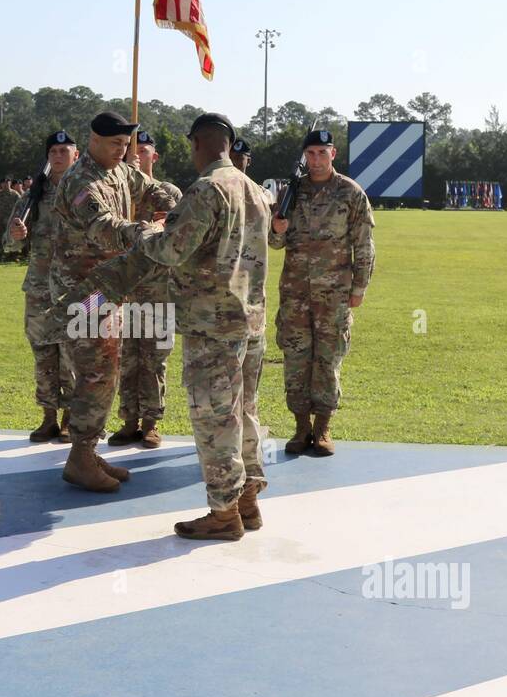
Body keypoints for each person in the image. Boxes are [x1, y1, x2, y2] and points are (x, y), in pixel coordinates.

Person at [86, 113, 270, 540]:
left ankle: (224, 512)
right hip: (250, 320)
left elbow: (172, 250)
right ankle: (248, 500)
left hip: (213, 324)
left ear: (197, 144)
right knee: (244, 413)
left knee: (214, 418)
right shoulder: (255, 190)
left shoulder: (206, 189)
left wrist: (147, 233)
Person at [43, 111, 162, 491]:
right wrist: (146, 231)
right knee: (95, 371)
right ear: (93, 140)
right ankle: (79, 457)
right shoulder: (81, 182)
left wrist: (173, 200)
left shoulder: (120, 171)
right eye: (115, 145)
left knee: (107, 369)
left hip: (109, 290)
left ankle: (88, 450)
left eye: (126, 146)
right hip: (86, 295)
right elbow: (105, 228)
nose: (122, 152)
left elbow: (150, 188)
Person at [269, 128, 375, 456]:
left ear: (333, 154)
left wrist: (358, 288)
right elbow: (274, 244)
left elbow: (364, 245)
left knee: (328, 359)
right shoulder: (291, 192)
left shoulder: (350, 193)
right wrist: (277, 228)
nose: (315, 160)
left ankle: (323, 426)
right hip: (296, 293)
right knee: (296, 358)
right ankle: (301, 427)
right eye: (310, 154)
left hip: (334, 294)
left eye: (321, 153)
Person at [109, 129, 180, 449]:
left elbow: (177, 231)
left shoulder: (167, 192)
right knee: (126, 357)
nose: (137, 155)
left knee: (154, 359)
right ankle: (128, 420)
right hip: (125, 287)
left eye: (145, 151)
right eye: (131, 151)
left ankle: (151, 421)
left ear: (155, 156)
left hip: (159, 288)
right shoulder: (118, 192)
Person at [9, 131, 79, 442]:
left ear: (75, 156)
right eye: (53, 150)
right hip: (38, 288)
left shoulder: (83, 194)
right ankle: (48, 417)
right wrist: (16, 236)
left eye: (65, 150)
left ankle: (69, 419)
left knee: (71, 356)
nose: (58, 155)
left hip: (71, 289)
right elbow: (8, 243)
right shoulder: (30, 198)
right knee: (43, 355)